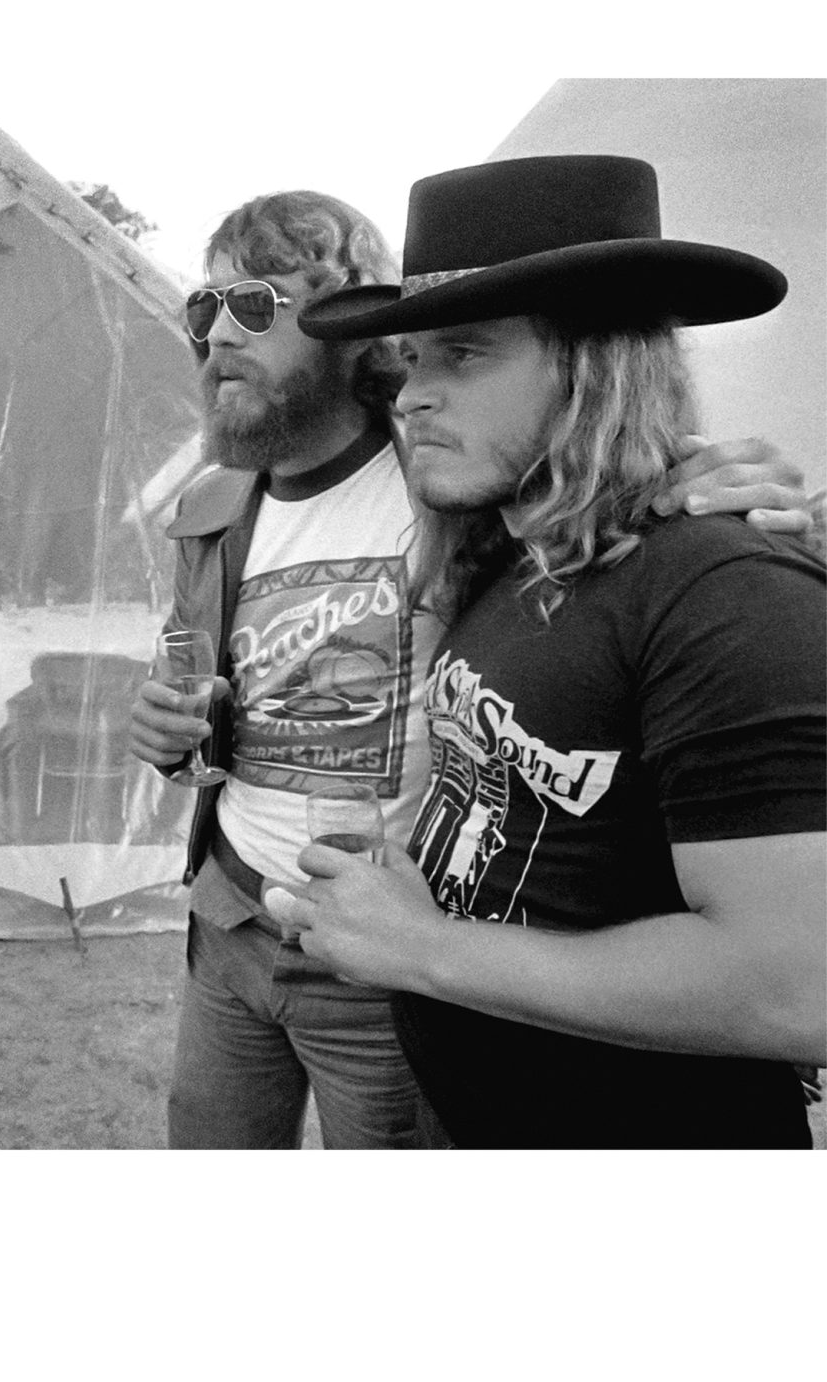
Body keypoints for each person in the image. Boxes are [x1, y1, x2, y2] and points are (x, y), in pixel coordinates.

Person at [128, 186, 817, 1150]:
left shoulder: (517, 514)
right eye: (203, 310)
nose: (416, 392)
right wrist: (169, 730)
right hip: (260, 931)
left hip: (435, 1002)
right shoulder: (266, 517)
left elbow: (798, 982)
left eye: (463, 352)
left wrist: (723, 493)